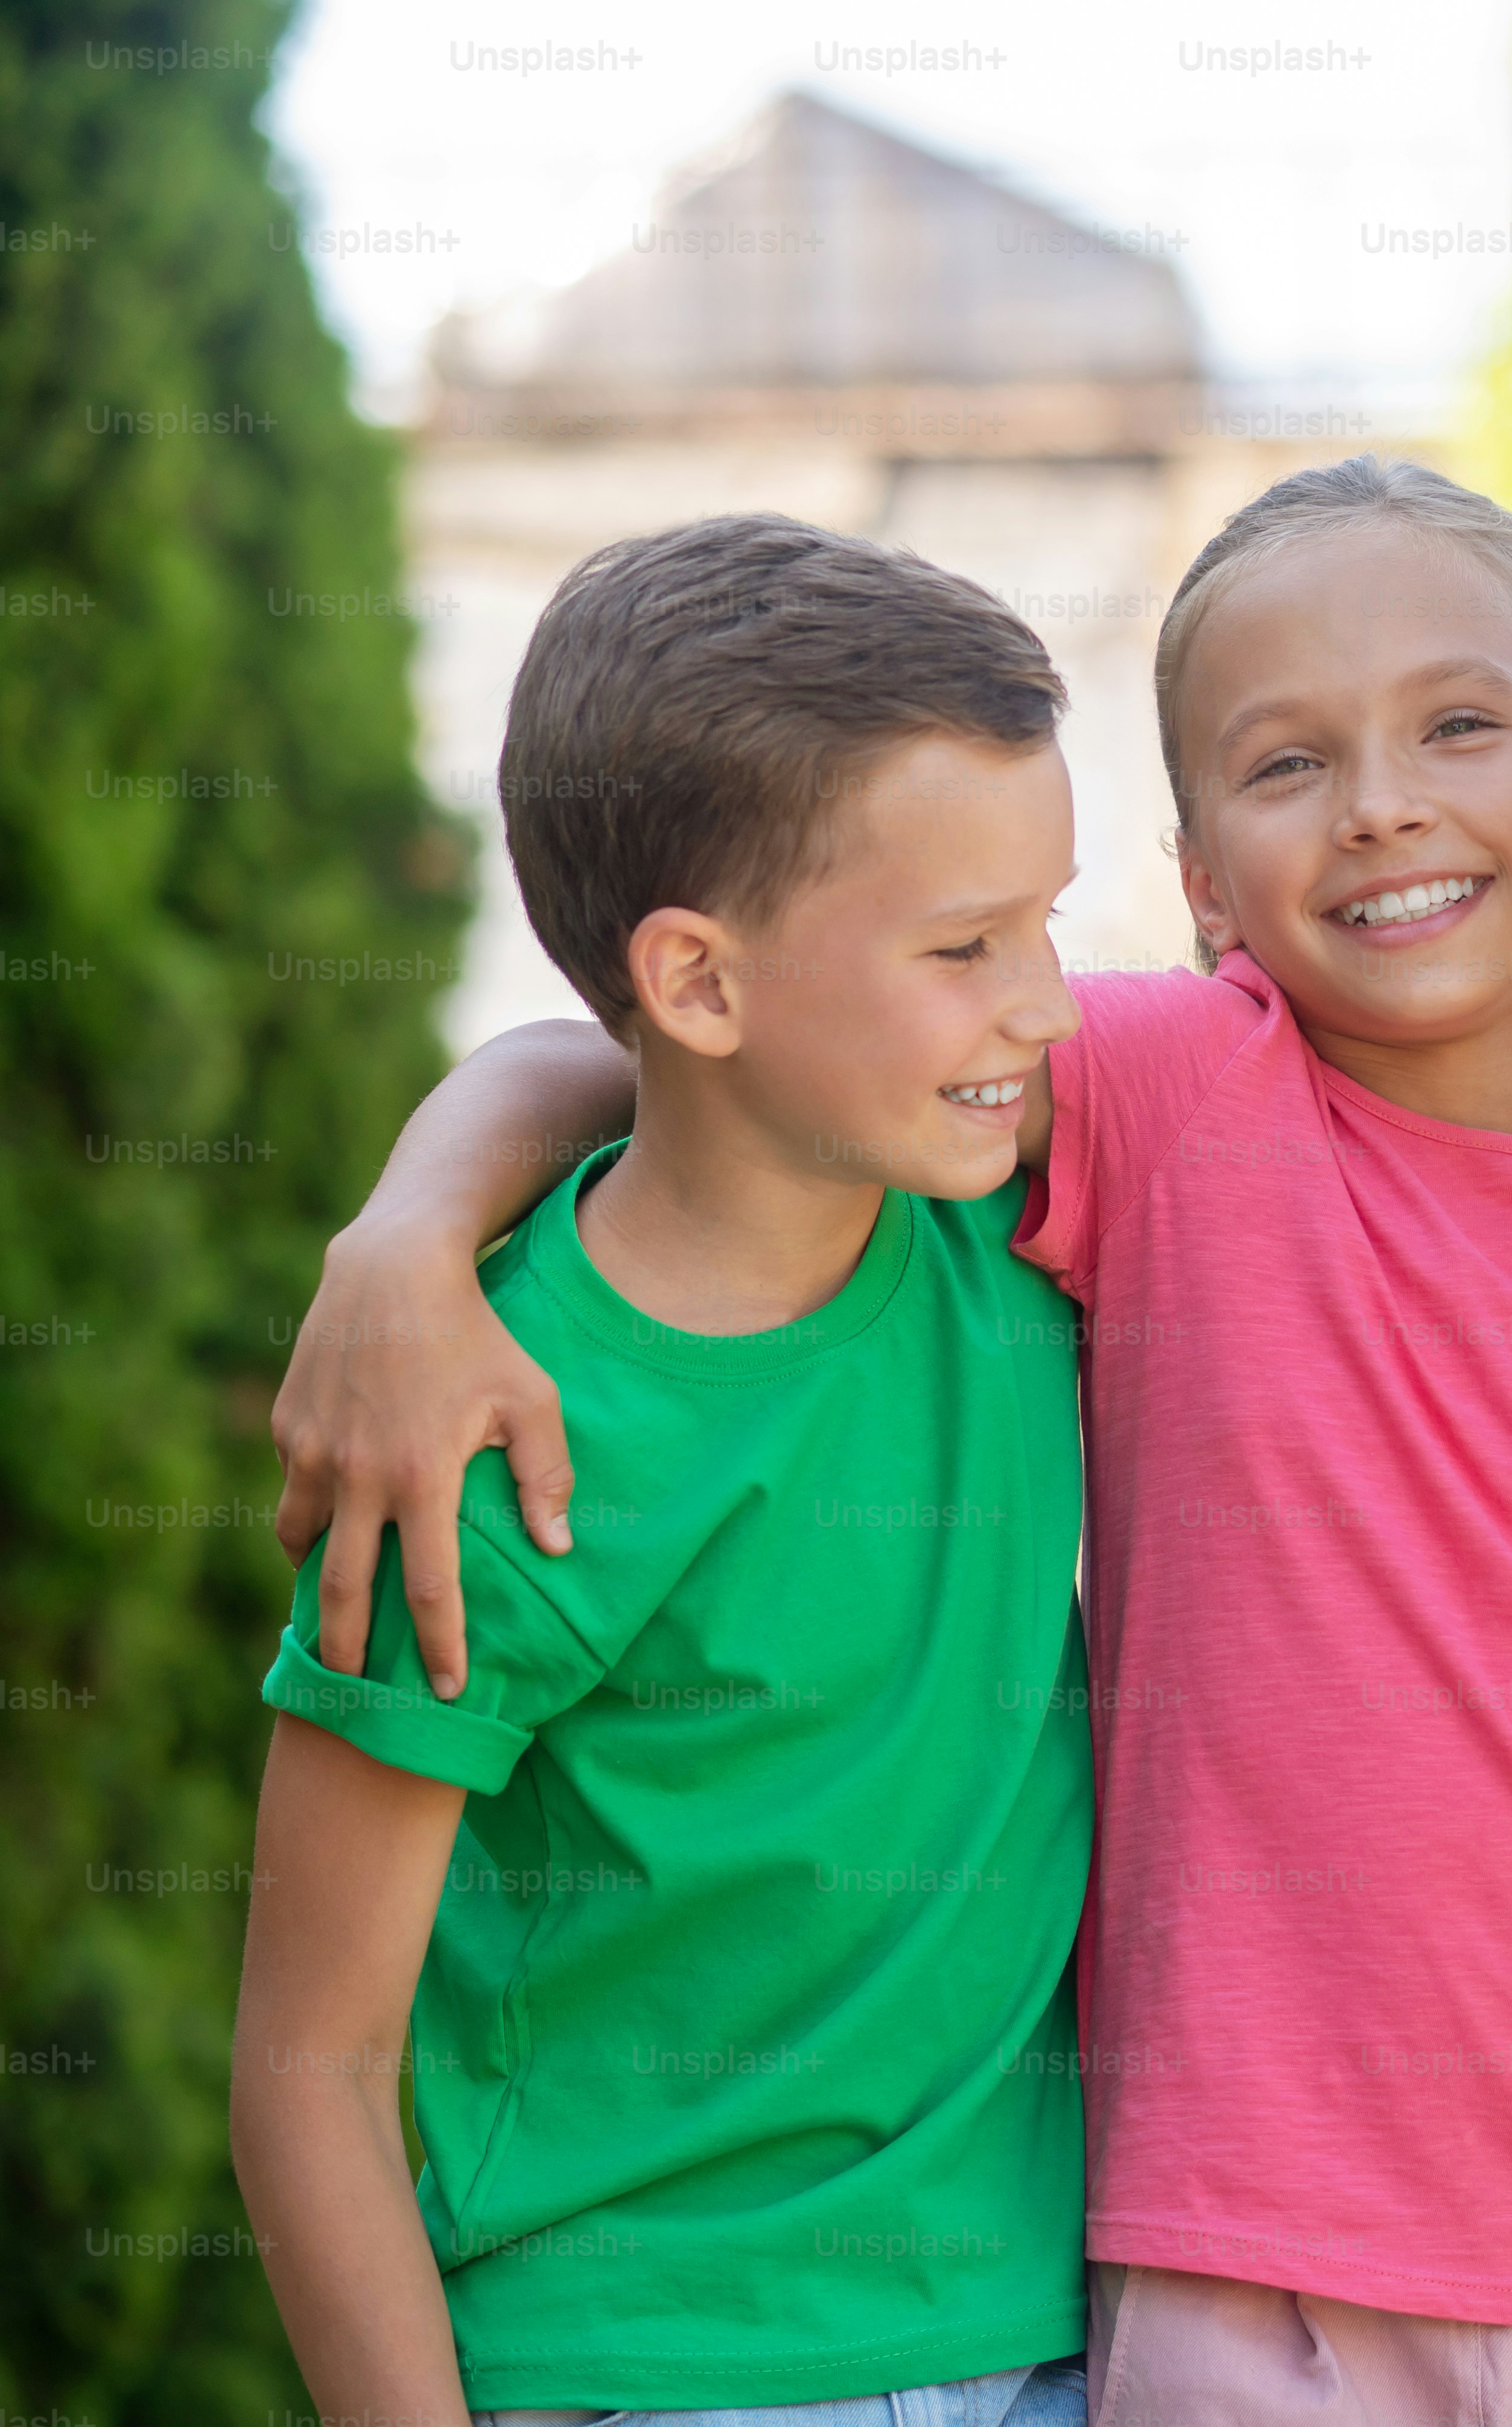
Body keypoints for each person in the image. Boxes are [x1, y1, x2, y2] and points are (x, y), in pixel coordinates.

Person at [261, 468, 1512, 2427]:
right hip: (1215, 2299)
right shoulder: (1169, 1102)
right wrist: (408, 1229)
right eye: (1286, 764)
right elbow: (715, 1054)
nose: (1382, 803)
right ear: (1198, 884)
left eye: (1454, 724)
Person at [230, 516, 1098, 2426]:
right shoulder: (472, 1452)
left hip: (1060, 2341)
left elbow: (1399, 1065)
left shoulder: (1017, 1205)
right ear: (700, 985)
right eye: (963, 947)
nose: (1044, 1000)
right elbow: (307, 2070)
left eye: (1048, 918)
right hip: (646, 2374)